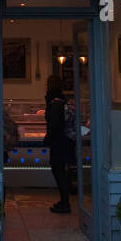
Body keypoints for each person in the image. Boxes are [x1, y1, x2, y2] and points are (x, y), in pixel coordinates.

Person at [44, 76, 71, 213]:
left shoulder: (54, 102)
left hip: (58, 142)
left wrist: (47, 139)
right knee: (62, 171)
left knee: (58, 170)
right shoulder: (62, 100)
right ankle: (65, 201)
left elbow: (54, 124)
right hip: (65, 141)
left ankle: (65, 203)